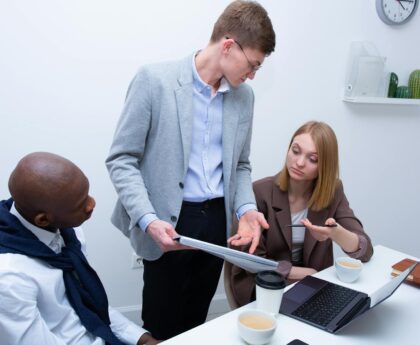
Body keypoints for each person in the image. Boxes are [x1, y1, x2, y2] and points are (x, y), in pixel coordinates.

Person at [105, 0, 275, 340]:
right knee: (161, 323)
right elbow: (122, 159)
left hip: (215, 223)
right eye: (252, 65)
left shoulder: (245, 97)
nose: (253, 75)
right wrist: (148, 218)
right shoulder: (154, 80)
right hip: (166, 221)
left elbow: (240, 164)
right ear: (228, 45)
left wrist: (246, 209)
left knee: (197, 320)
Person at [0, 152, 158, 345]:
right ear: (42, 219)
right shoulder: (9, 277)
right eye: (80, 205)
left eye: (87, 194)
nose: (92, 204)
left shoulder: (68, 234)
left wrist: (141, 338)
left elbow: (90, 300)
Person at [230, 121, 374, 307]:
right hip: (265, 286)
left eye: (312, 159)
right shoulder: (259, 192)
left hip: (314, 291)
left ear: (325, 165)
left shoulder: (333, 191)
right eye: (295, 151)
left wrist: (337, 234)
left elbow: (365, 251)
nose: (299, 162)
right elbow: (252, 260)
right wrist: (303, 273)